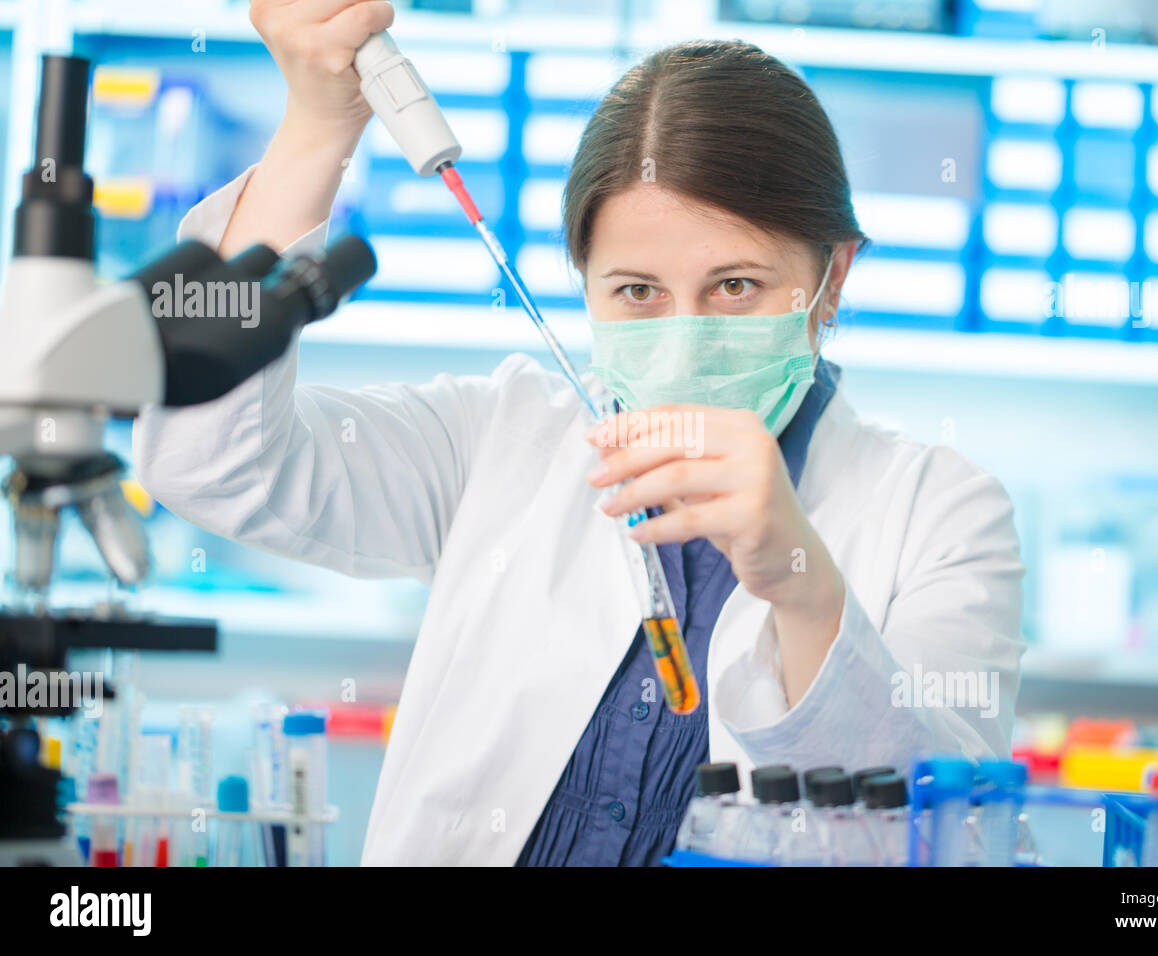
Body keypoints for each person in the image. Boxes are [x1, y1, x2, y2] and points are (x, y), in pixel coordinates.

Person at [133, 0, 1025, 865]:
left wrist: (802, 584)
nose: (683, 335)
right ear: (585, 286)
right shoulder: (497, 440)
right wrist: (316, 130)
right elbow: (213, 463)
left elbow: (952, 842)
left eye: (737, 286)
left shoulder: (942, 514)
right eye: (637, 291)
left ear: (830, 281)